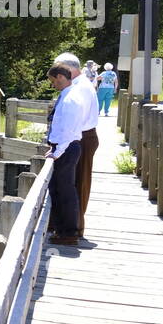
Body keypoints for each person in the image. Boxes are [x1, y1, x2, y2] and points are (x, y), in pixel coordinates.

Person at [55, 51, 99, 238]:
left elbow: (74, 120)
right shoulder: (80, 85)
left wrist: (61, 146)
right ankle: (71, 225)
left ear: (70, 70)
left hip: (81, 138)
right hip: (81, 137)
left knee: (76, 183)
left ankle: (74, 228)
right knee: (75, 182)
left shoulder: (79, 88)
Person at [45, 65, 89, 245]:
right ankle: (61, 230)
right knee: (57, 189)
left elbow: (70, 131)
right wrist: (53, 148)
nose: (53, 84)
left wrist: (58, 152)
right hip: (63, 147)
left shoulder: (71, 99)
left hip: (67, 148)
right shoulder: (68, 95)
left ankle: (69, 233)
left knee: (65, 191)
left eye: (54, 81)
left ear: (62, 77)